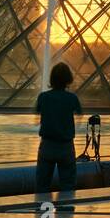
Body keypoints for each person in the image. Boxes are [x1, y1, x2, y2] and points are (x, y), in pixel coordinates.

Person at [34, 62, 82, 202]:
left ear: (52, 79)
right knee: (68, 185)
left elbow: (37, 118)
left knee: (42, 185)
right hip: (66, 146)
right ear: (68, 79)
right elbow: (79, 115)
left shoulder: (43, 97)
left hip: (47, 145)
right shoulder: (72, 98)